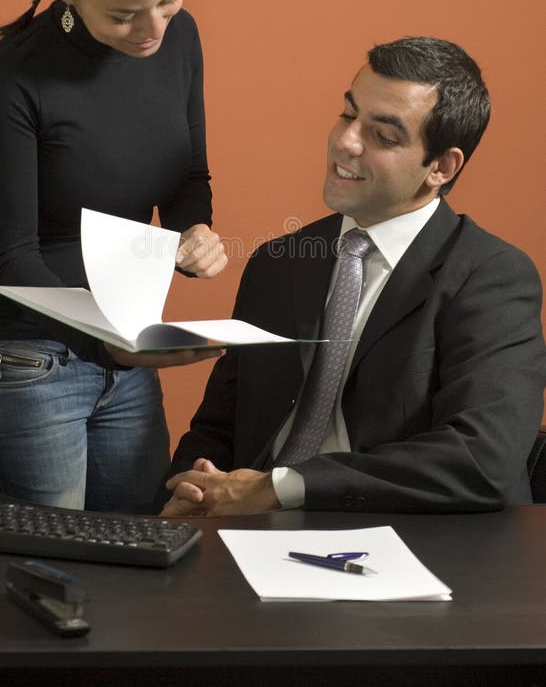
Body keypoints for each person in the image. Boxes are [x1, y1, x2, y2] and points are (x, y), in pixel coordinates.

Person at [162, 36, 546, 517]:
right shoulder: (278, 263)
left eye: (384, 136)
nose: (345, 140)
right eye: (348, 114)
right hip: (251, 533)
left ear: (441, 167)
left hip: (403, 545)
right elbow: (219, 427)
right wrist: (184, 496)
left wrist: (283, 488)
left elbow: (483, 459)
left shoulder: (493, 278)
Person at [0, 0, 227, 513]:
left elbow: (187, 172)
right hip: (23, 360)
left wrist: (197, 228)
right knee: (53, 575)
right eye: (124, 14)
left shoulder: (181, 39)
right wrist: (115, 341)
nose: (152, 28)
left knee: (138, 555)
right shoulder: (13, 75)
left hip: (122, 345)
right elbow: (10, 257)